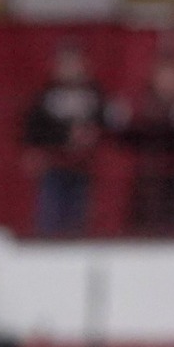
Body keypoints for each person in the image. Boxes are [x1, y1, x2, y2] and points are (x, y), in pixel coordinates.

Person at [20, 41, 108, 237]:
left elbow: (107, 124)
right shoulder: (45, 94)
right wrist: (65, 136)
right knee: (49, 221)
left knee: (78, 223)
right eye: (64, 64)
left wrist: (90, 135)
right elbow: (32, 130)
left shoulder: (94, 94)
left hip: (82, 168)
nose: (69, 69)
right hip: (53, 167)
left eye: (74, 63)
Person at [110, 57, 174, 234]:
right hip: (145, 176)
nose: (168, 82)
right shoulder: (142, 104)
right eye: (164, 76)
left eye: (172, 77)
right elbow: (127, 138)